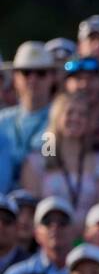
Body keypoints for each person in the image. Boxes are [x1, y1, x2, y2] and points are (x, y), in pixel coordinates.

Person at [19, 94, 99, 231]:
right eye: (69, 112)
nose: (76, 118)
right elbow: (32, 211)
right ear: (56, 117)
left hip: (88, 240)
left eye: (82, 114)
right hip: (49, 236)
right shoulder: (36, 162)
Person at [0, 42, 56, 183]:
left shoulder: (58, 120)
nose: (33, 79)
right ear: (15, 77)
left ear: (52, 77)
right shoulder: (2, 120)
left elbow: (49, 163)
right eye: (26, 72)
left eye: (40, 73)